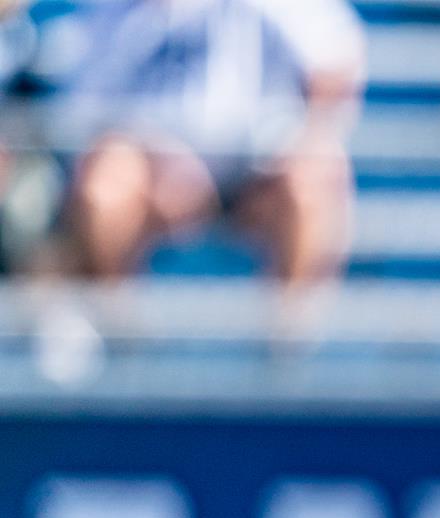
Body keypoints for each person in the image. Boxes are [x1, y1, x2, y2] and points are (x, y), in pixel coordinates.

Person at [55, 0, 364, 298]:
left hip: (261, 170)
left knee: (314, 171)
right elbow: (83, 111)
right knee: (104, 182)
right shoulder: (112, 11)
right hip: (151, 168)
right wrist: (154, 154)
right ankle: (118, 333)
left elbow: (335, 68)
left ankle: (289, 341)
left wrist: (300, 135)